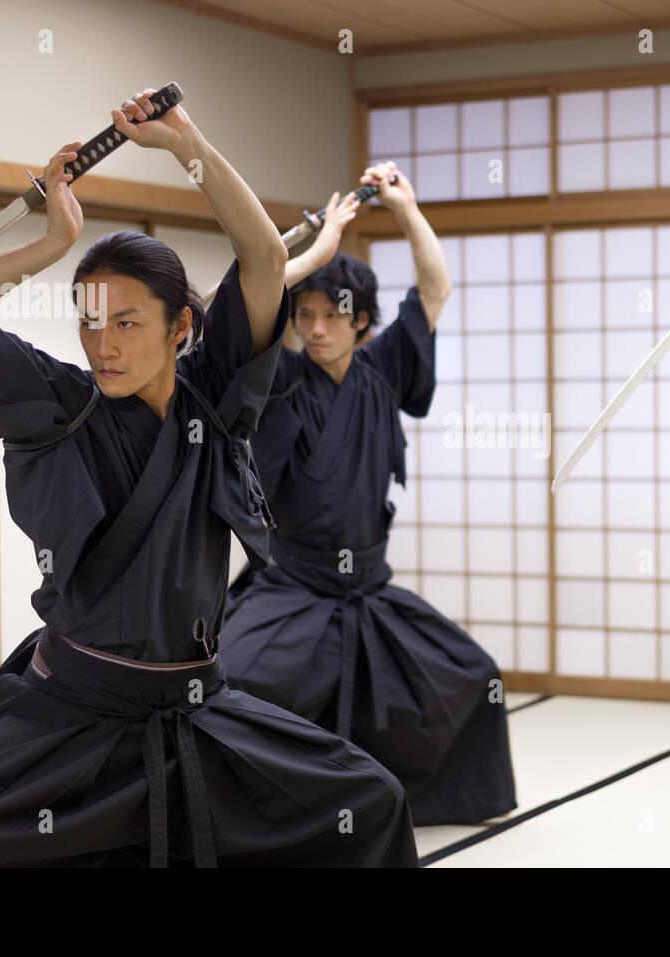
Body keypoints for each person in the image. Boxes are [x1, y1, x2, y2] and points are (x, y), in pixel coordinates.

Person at [0, 91, 418, 867]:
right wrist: (50, 241)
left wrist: (183, 141)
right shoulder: (59, 401)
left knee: (370, 802)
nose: (104, 345)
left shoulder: (219, 394)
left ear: (180, 327)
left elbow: (261, 257)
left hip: (197, 703)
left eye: (126, 323)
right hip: (69, 709)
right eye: (89, 322)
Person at [220, 161, 517, 827]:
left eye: (334, 316)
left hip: (369, 586)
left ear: (364, 324)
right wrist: (311, 253)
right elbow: (243, 303)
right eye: (307, 315)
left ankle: (396, 804)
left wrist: (407, 210)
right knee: (232, 689)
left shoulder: (382, 373)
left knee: (476, 675)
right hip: (290, 583)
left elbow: (434, 290)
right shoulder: (278, 376)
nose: (318, 328)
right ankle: (259, 820)